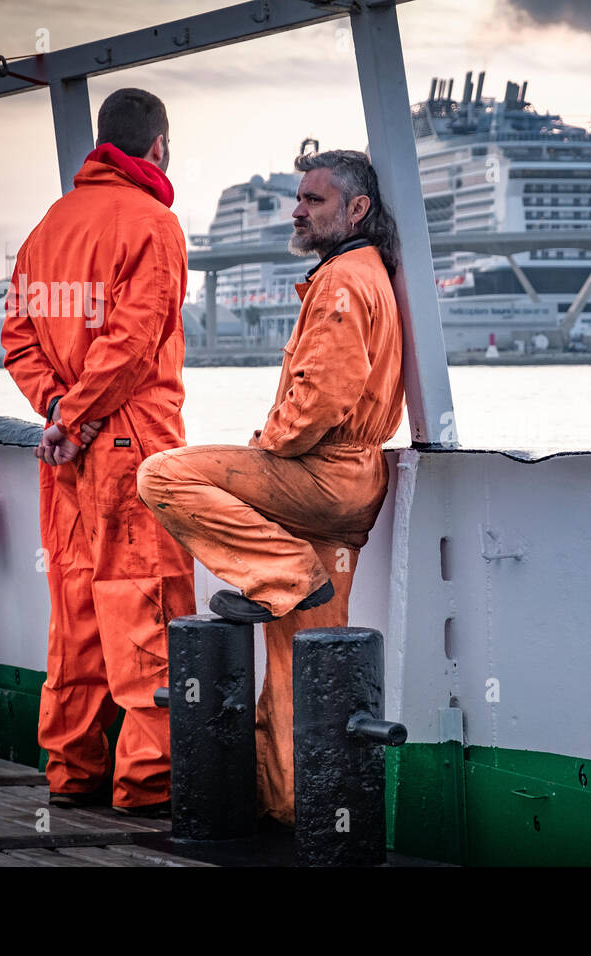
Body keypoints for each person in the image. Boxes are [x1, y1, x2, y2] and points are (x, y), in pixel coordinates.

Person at [137, 148, 405, 827]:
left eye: (314, 200)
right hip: (351, 490)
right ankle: (293, 810)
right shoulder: (370, 273)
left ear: (356, 210)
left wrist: (266, 451)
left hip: (324, 474)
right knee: (296, 667)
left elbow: (320, 398)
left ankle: (282, 573)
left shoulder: (343, 279)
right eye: (300, 197)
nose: (298, 209)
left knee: (163, 474)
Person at [1, 88, 196, 816]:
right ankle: (148, 787)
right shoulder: (154, 225)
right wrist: (77, 418)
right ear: (158, 147)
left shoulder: (49, 226)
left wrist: (54, 410)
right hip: (130, 446)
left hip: (64, 458)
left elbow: (16, 335)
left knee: (76, 607)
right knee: (144, 602)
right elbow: (133, 344)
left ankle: (72, 771)